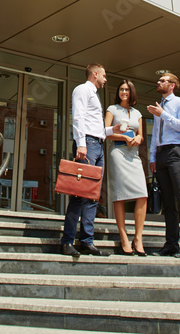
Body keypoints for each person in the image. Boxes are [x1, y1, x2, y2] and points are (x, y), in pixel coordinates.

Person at [60, 63, 111, 257]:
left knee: (92, 196)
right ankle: (67, 242)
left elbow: (94, 125)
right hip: (87, 145)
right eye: (104, 75)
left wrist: (112, 131)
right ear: (95, 74)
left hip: (97, 144)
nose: (105, 79)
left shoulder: (94, 94)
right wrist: (80, 143)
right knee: (79, 194)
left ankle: (86, 241)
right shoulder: (82, 89)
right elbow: (78, 117)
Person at [147, 72, 180, 258]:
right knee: (168, 203)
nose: (158, 82)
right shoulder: (159, 106)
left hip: (176, 151)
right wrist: (152, 157)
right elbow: (155, 133)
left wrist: (164, 115)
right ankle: (171, 244)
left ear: (172, 85)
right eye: (159, 80)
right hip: (161, 155)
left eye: (163, 81)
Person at [104, 80, 148, 256]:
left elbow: (141, 136)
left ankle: (138, 238)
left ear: (131, 93)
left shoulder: (137, 113)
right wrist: (123, 138)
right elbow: (104, 132)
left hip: (134, 155)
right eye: (121, 89)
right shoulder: (112, 109)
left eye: (127, 90)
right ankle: (123, 236)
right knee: (120, 195)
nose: (124, 92)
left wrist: (138, 139)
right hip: (118, 152)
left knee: (142, 194)